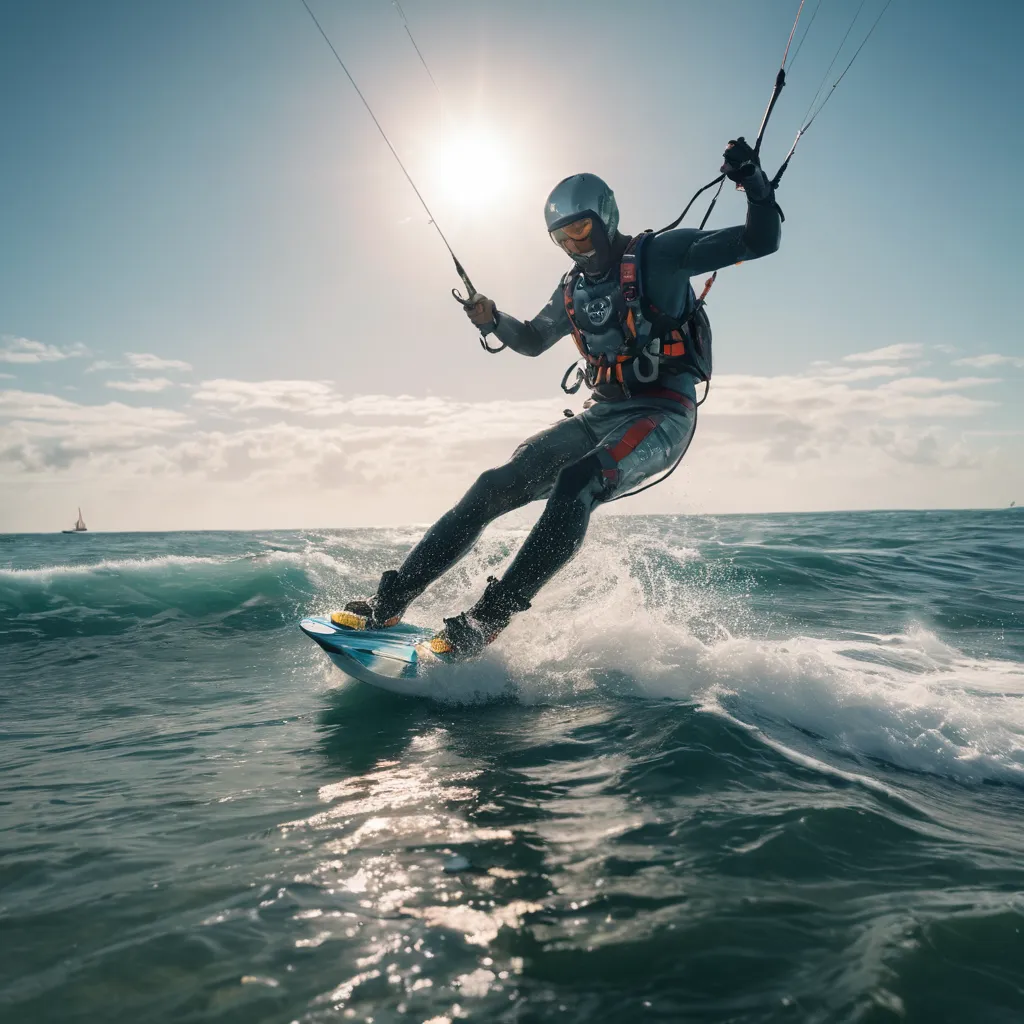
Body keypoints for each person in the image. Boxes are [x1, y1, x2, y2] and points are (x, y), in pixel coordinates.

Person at [335, 137, 782, 659]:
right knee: (492, 485)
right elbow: (530, 340)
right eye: (563, 238)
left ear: (606, 218)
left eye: (581, 230)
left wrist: (750, 177)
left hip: (663, 414)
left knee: (578, 481)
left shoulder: (662, 253)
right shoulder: (572, 288)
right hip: (603, 413)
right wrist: (493, 318)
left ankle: (487, 619)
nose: (575, 245)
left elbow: (762, 239)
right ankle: (389, 601)